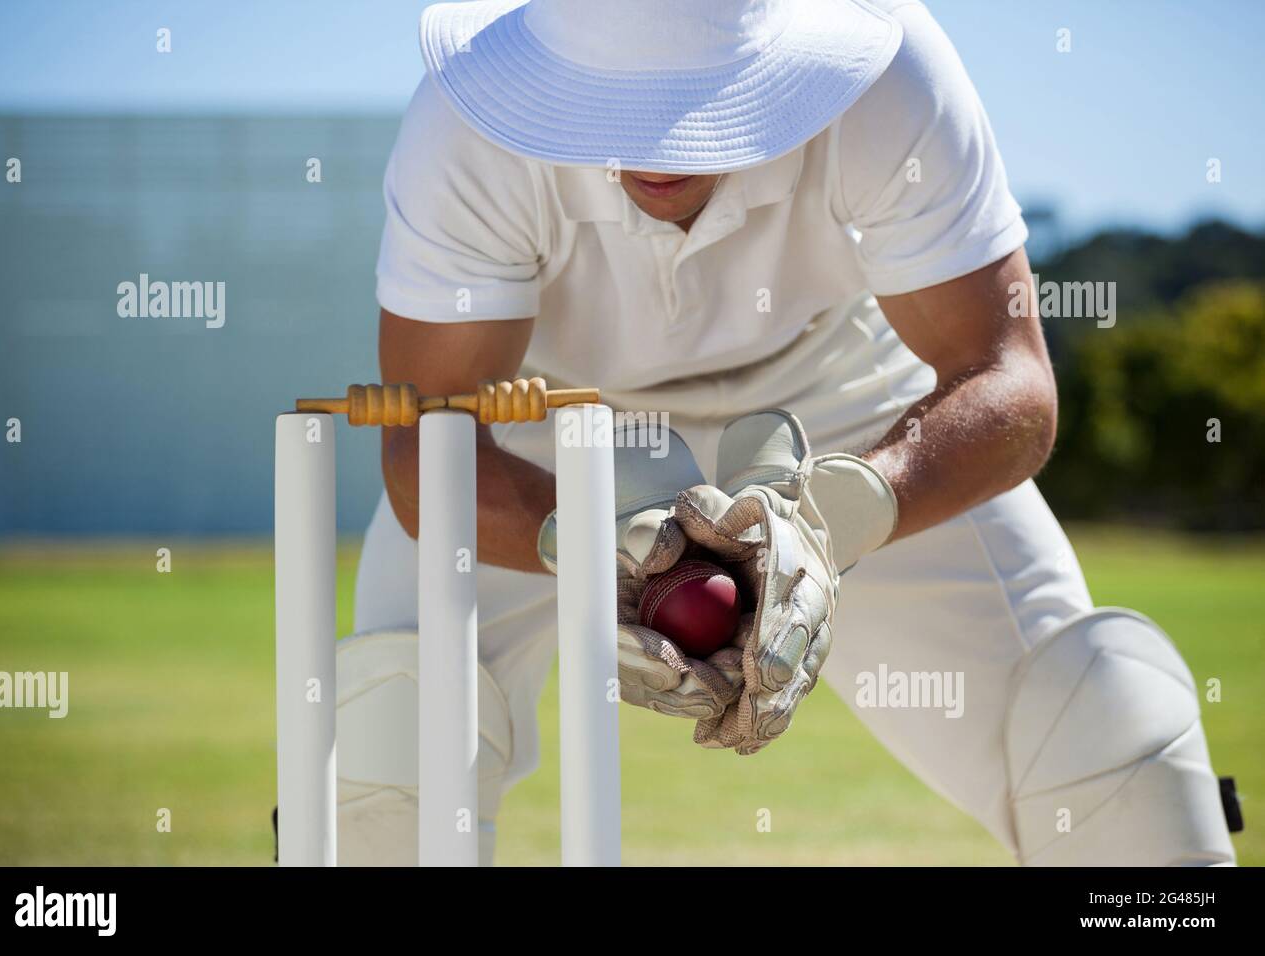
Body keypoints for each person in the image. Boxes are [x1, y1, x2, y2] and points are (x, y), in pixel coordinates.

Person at [341, 0, 1236, 865]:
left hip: (836, 395)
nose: (655, 146)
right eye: (616, 103)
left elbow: (1014, 384)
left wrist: (833, 516)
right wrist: (586, 542)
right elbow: (425, 440)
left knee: (1097, 728)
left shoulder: (887, 76)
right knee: (393, 743)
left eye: (691, 107)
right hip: (551, 417)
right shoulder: (466, 121)